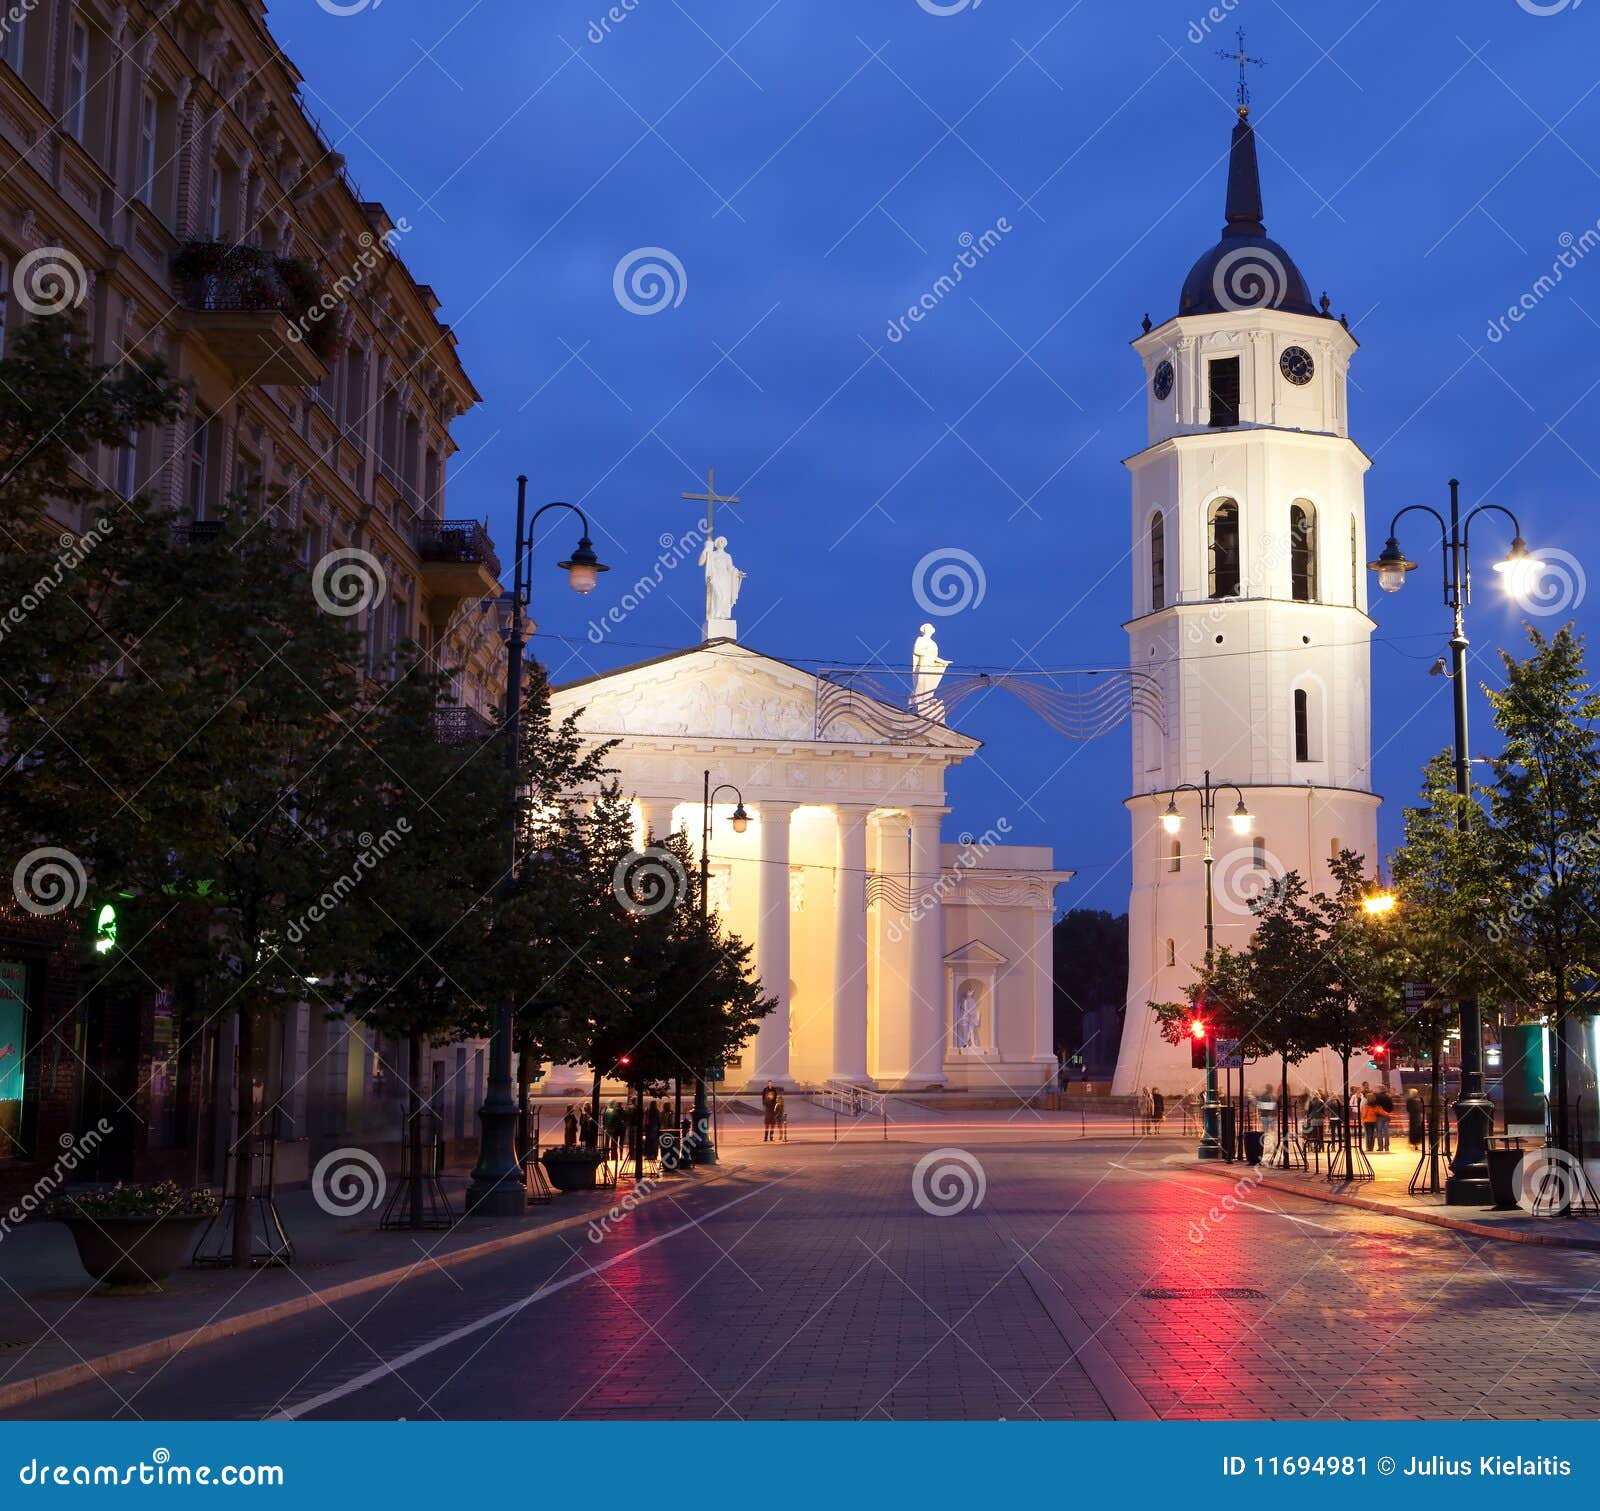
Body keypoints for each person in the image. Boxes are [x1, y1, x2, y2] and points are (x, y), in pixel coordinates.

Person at [1373, 1085, 1394, 1151]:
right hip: (1386, 1116)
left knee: (1379, 1132)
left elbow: (1374, 1106)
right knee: (1386, 1131)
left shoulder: (1376, 1096)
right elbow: (1391, 1107)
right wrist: (1387, 1112)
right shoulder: (1388, 1096)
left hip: (1379, 1116)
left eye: (1376, 1088)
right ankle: (1387, 1147)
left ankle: (1380, 1147)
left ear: (1379, 1089)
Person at [1360, 1086, 1378, 1151]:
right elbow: (1378, 1112)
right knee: (1373, 1134)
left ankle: (1369, 1147)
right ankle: (1371, 1147)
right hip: (1374, 1121)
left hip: (1367, 1121)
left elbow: (1364, 1115)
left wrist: (1362, 1120)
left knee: (1368, 1134)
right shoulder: (1375, 1106)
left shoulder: (1366, 1106)